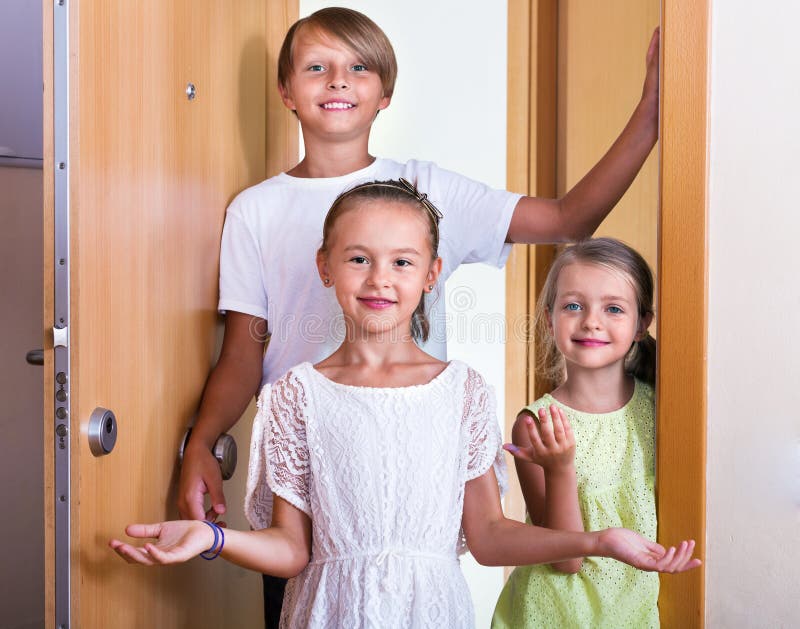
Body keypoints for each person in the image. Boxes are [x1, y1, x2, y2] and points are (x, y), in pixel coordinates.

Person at [176, 7, 661, 626]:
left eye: (358, 68)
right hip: (315, 482)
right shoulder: (255, 211)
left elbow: (570, 220)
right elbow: (243, 354)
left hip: (410, 490)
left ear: (385, 92)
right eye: (316, 68)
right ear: (285, 91)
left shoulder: (425, 191)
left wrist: (651, 115)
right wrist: (201, 445)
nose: (338, 82)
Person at [113, 184, 699, 629]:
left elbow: (489, 537)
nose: (379, 280)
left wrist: (597, 541)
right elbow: (292, 551)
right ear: (325, 266)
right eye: (358, 258)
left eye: (402, 262)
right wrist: (210, 539)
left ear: (431, 275)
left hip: (435, 613)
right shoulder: (294, 394)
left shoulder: (462, 390)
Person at [492, 237, 663, 628]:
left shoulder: (660, 410)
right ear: (550, 319)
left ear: (641, 325)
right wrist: (560, 468)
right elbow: (565, 559)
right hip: (553, 614)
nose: (591, 321)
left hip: (631, 614)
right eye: (573, 306)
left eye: (614, 308)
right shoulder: (536, 424)